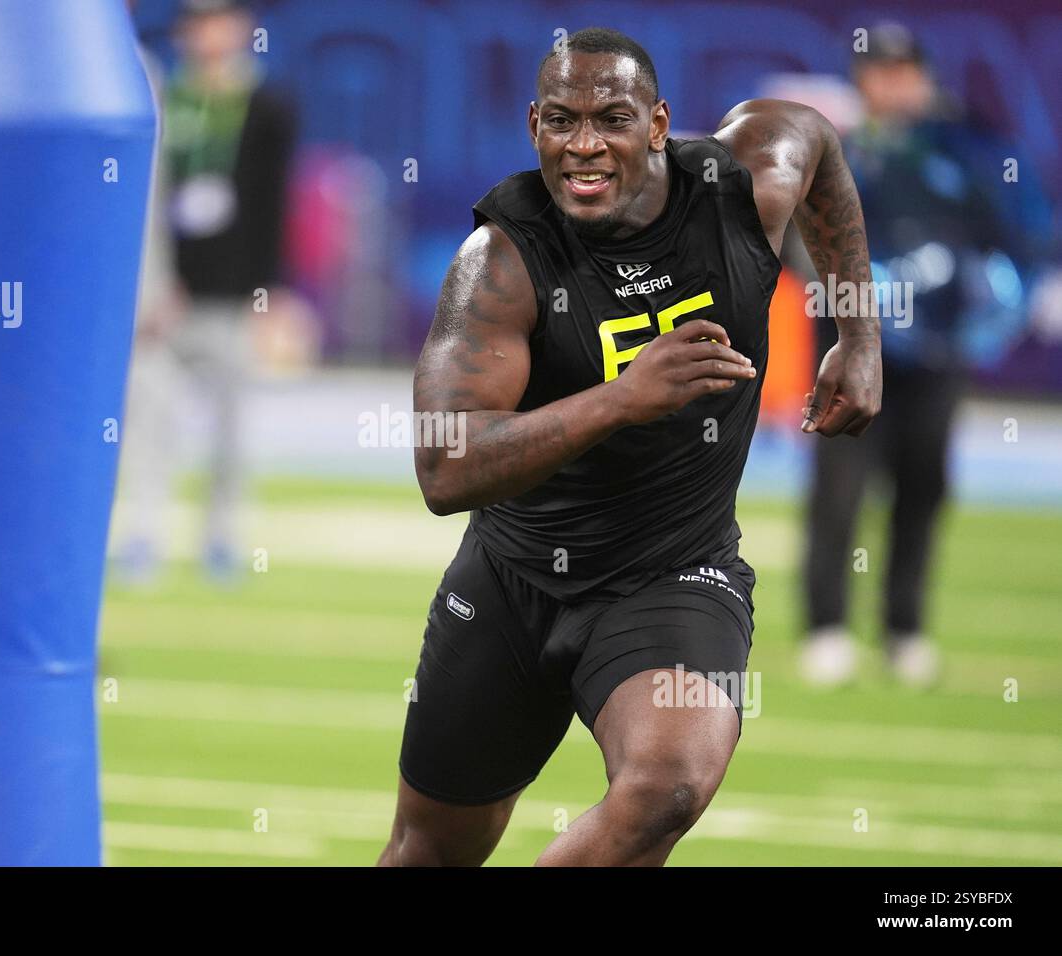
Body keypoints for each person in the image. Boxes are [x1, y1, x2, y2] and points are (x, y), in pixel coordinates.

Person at [380, 28, 880, 867]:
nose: (584, 146)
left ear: (658, 124)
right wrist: (620, 399)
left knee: (666, 787)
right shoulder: (500, 260)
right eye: (561, 123)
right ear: (533, 124)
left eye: (611, 119)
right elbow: (445, 466)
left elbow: (819, 142)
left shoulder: (740, 182)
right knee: (427, 851)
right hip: (515, 576)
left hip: (672, 569)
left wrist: (857, 334)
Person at [800, 23, 1046, 688]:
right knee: (838, 489)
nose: (890, 84)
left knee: (923, 487)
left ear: (923, 75)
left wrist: (988, 306)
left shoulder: (966, 149)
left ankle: (903, 630)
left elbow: (1014, 235)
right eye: (876, 72)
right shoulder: (836, 151)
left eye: (901, 70)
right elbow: (798, 236)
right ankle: (826, 628)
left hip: (935, 351)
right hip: (851, 349)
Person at [117, 0, 295, 583]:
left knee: (229, 429)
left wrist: (268, 296)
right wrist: (152, 285)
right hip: (167, 298)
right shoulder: (165, 96)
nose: (206, 35)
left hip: (234, 297)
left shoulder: (267, 106)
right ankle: (144, 534)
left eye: (217, 20)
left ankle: (220, 538)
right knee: (149, 422)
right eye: (196, 23)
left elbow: (274, 208)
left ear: (242, 28)